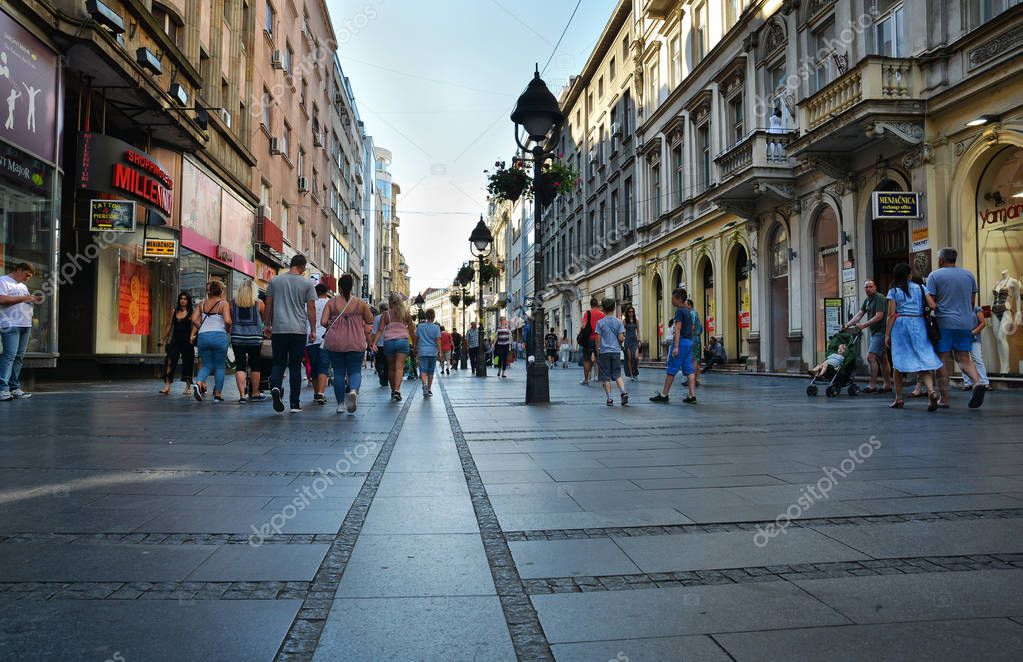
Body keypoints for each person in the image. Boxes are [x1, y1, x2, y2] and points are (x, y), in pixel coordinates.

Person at [925, 248, 987, 409]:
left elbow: (930, 301)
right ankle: (977, 382)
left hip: (944, 323)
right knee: (964, 358)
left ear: (941, 259)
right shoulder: (969, 275)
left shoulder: (934, 275)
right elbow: (971, 302)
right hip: (965, 322)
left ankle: (944, 399)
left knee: (943, 360)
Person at [886, 263, 943, 411]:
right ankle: (931, 390)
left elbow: (891, 314)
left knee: (898, 362)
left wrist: (887, 334)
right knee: (923, 359)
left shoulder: (893, 291)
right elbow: (933, 305)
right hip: (919, 324)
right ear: (910, 274)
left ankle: (899, 399)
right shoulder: (921, 288)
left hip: (901, 325)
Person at [265, 255, 317, 413]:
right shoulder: (307, 282)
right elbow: (311, 308)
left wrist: (267, 324)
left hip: (279, 329)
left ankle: (275, 387)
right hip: (298, 330)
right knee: (295, 366)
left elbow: (268, 303)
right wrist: (313, 329)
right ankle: (294, 403)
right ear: (302, 266)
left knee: (278, 362)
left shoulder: (275, 281)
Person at [321, 274, 374, 414]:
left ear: (339, 286)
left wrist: (333, 323)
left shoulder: (331, 302)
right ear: (352, 287)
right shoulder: (361, 303)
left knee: (338, 372)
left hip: (335, 342)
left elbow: (323, 321)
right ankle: (353, 391)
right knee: (355, 371)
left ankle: (340, 405)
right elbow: (370, 319)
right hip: (355, 342)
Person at [0, 262, 42, 401]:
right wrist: (25, 298)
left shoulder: (22, 286)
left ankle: (13, 387)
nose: (28, 278)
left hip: (25, 324)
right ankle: (2, 388)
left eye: (30, 276)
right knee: (9, 356)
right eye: (26, 275)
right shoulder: (4, 281)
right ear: (19, 270)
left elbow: (24, 300)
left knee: (18, 357)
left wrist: (34, 299)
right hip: (10, 324)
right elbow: (2, 299)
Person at [844, 280, 892, 393]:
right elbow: (860, 314)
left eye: (870, 286)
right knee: (882, 359)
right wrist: (847, 325)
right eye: (866, 287)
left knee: (871, 357)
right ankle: (887, 384)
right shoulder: (867, 300)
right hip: (874, 332)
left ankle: (872, 384)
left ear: (875, 287)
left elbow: (879, 316)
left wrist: (863, 325)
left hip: (881, 331)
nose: (868, 289)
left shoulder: (879, 298)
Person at [650, 288, 697, 405]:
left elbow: (677, 329)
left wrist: (676, 347)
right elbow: (692, 328)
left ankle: (664, 395)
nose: (671, 300)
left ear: (679, 299)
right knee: (690, 370)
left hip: (680, 343)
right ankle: (692, 396)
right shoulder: (688, 311)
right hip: (689, 342)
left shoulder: (680, 311)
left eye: (673, 298)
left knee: (671, 369)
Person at [190, 280, 232, 402]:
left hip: (203, 336)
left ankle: (198, 383)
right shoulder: (223, 304)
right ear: (221, 291)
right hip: (219, 336)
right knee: (219, 366)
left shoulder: (202, 304)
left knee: (207, 364)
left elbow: (193, 318)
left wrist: (201, 327)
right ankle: (217, 395)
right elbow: (228, 321)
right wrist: (227, 329)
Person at [372, 292, 416, 402]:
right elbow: (411, 331)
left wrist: (374, 343)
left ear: (390, 302)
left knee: (391, 368)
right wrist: (415, 345)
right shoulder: (405, 314)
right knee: (399, 367)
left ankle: (393, 391)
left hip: (389, 342)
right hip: (402, 342)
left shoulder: (386, 315)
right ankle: (397, 390)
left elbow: (380, 330)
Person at [231, 279, 266, 403]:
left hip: (237, 338)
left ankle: (242, 395)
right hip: (254, 338)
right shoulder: (259, 303)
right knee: (255, 365)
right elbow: (264, 320)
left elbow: (231, 319)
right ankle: (255, 393)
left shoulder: (233, 303)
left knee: (240, 365)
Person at [594, 298, 629, 406]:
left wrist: (597, 351)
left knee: (606, 376)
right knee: (617, 374)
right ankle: (623, 392)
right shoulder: (618, 322)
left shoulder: (600, 322)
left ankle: (609, 399)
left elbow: (598, 339)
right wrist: (622, 336)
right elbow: (621, 338)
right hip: (616, 352)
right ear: (614, 308)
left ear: (603, 309)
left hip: (604, 352)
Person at [160, 292, 195, 396]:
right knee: (170, 361)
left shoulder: (191, 313)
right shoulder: (174, 311)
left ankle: (188, 387)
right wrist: (163, 339)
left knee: (188, 363)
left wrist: (193, 337)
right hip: (175, 340)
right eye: (181, 299)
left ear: (188, 301)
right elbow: (169, 326)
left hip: (187, 341)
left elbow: (194, 327)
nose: (183, 301)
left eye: (185, 299)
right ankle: (167, 385)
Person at [305, 284, 332, 405]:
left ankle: (316, 393)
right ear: (326, 292)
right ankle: (321, 393)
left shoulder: (308, 304)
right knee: (324, 366)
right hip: (325, 339)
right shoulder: (330, 303)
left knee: (314, 367)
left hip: (310, 338)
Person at [962, 306, 992, 392]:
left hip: (974, 337)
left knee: (977, 359)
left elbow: (983, 323)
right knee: (964, 360)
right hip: (962, 337)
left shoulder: (976, 309)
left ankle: (985, 382)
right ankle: (967, 383)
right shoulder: (961, 308)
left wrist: (972, 332)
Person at [580, 296, 605, 385]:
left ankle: (586, 380)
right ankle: (602, 379)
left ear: (590, 305)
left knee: (586, 360)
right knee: (600, 359)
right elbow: (604, 328)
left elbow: (583, 326)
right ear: (597, 305)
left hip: (589, 339)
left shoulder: (587, 313)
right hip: (599, 339)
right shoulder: (602, 314)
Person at [416, 309, 441, 396]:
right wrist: (440, 352)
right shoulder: (436, 327)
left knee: (423, 369)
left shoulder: (420, 326)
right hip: (432, 352)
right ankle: (429, 389)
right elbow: (438, 341)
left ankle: (424, 385)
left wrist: (415, 348)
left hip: (422, 351)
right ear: (434, 316)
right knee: (431, 371)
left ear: (426, 316)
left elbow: (417, 339)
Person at [372, 300, 389, 386]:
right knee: (387, 363)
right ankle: (385, 379)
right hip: (388, 343)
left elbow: (375, 331)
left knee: (379, 362)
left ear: (380, 308)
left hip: (379, 343)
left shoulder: (377, 318)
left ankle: (381, 375)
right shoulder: (390, 317)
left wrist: (372, 342)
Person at [687, 299, 703, 387]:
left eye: (685, 304)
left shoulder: (692, 313)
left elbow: (692, 327)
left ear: (690, 305)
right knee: (694, 359)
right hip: (696, 338)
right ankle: (695, 379)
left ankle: (692, 379)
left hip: (693, 338)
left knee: (694, 359)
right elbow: (700, 328)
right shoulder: (695, 313)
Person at [623, 306, 641, 381]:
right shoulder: (624, 321)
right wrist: (623, 336)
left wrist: (639, 340)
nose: (631, 313)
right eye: (630, 312)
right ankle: (631, 375)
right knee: (629, 358)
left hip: (634, 341)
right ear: (627, 312)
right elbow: (622, 331)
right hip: (627, 341)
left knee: (636, 357)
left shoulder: (636, 321)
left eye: (632, 312)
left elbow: (638, 331)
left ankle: (635, 371)